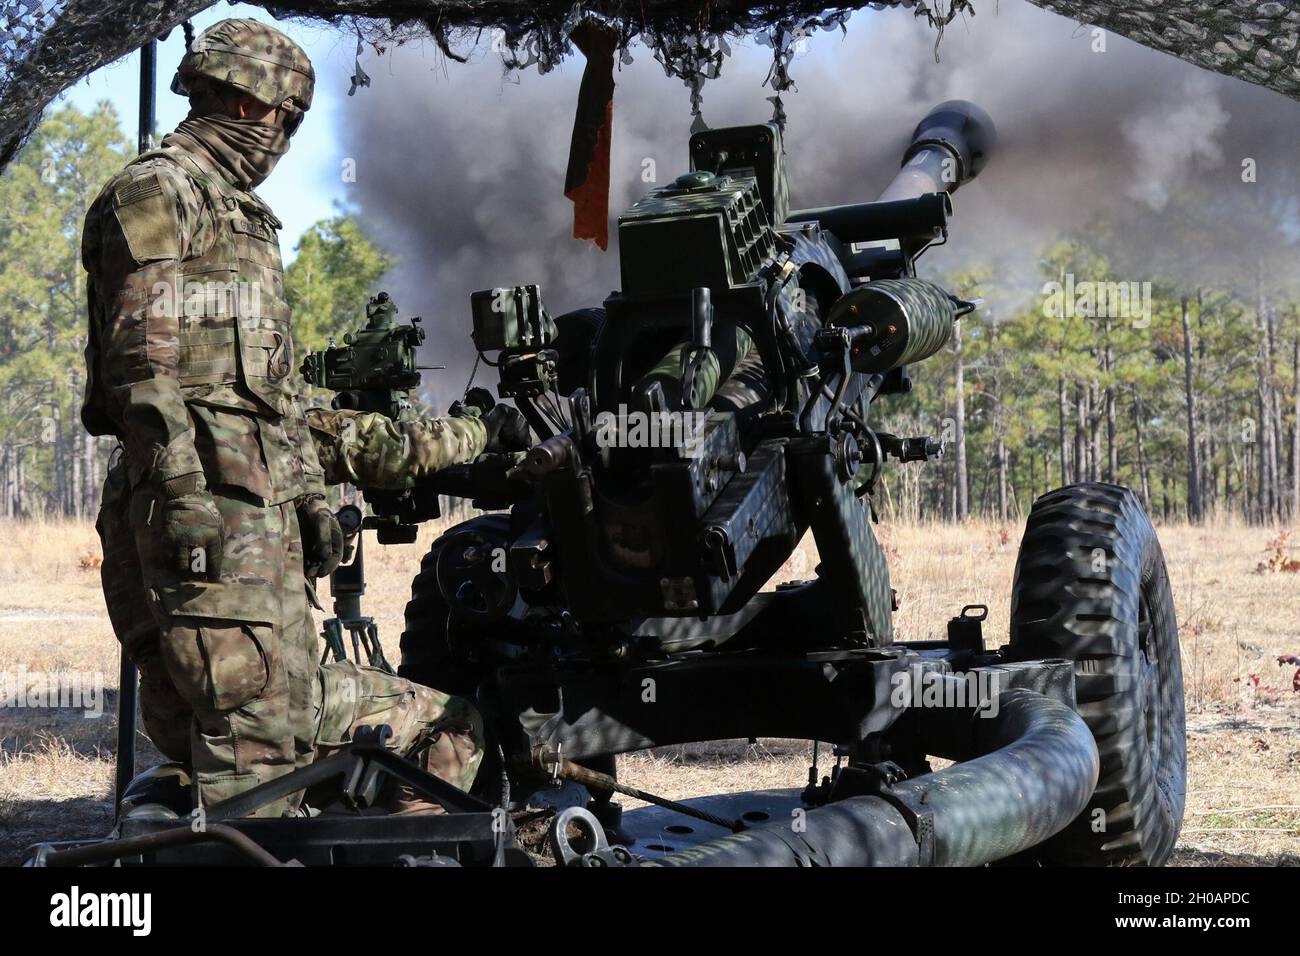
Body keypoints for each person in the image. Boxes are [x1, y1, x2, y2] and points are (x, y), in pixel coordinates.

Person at [81, 18, 492, 816]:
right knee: (258, 783)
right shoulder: (161, 192)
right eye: (287, 119)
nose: (286, 140)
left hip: (252, 549)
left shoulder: (239, 218)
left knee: (441, 729)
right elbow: (142, 374)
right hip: (214, 552)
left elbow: (269, 404)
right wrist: (187, 504)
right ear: (247, 104)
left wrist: (310, 494)